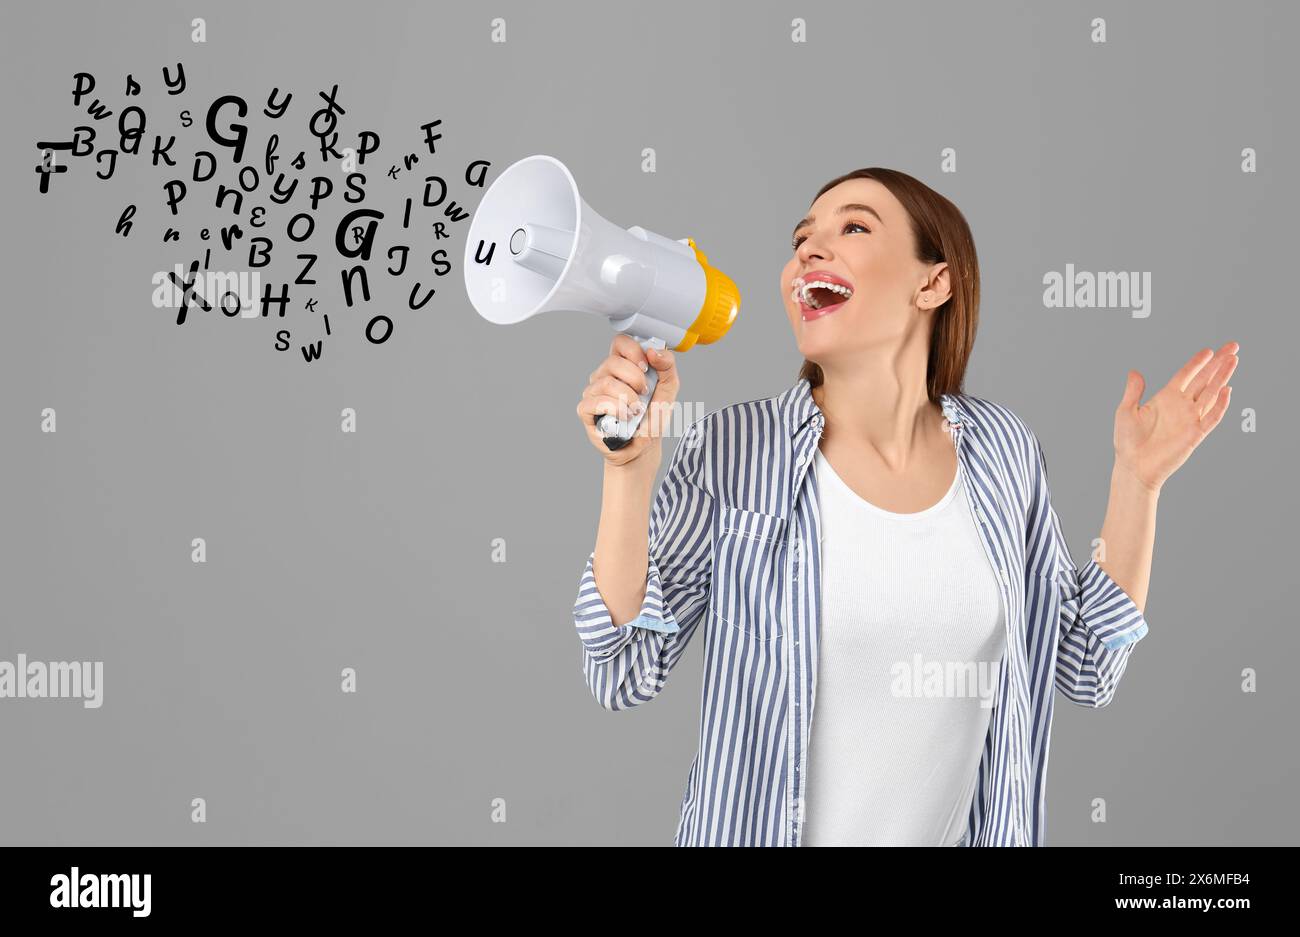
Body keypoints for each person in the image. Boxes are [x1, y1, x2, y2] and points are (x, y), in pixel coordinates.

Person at [572, 167, 1239, 846]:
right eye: (801, 237)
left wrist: (1138, 482)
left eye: (853, 227)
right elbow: (622, 666)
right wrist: (627, 471)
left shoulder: (1005, 451)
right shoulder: (735, 447)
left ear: (933, 283)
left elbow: (1086, 663)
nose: (808, 248)